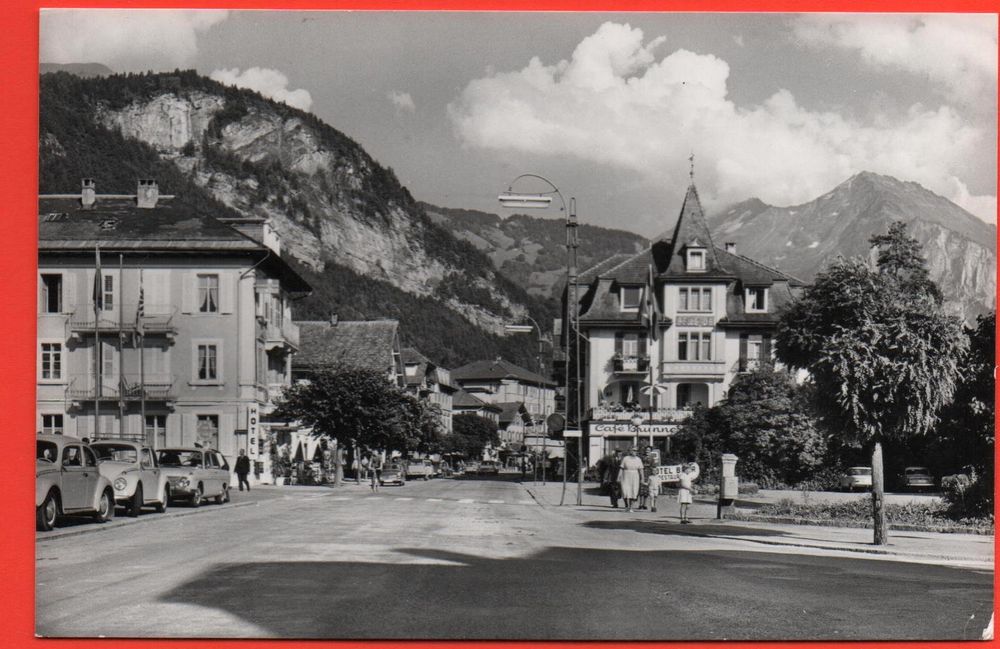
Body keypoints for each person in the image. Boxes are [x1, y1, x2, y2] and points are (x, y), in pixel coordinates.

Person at [618, 448, 644, 512]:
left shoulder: (638, 459)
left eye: (636, 450)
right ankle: (626, 506)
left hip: (635, 476)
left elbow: (641, 470)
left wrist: (642, 478)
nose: (634, 452)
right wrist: (619, 476)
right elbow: (621, 468)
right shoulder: (625, 458)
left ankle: (631, 507)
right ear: (630, 451)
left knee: (633, 491)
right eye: (633, 450)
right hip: (626, 475)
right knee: (625, 490)